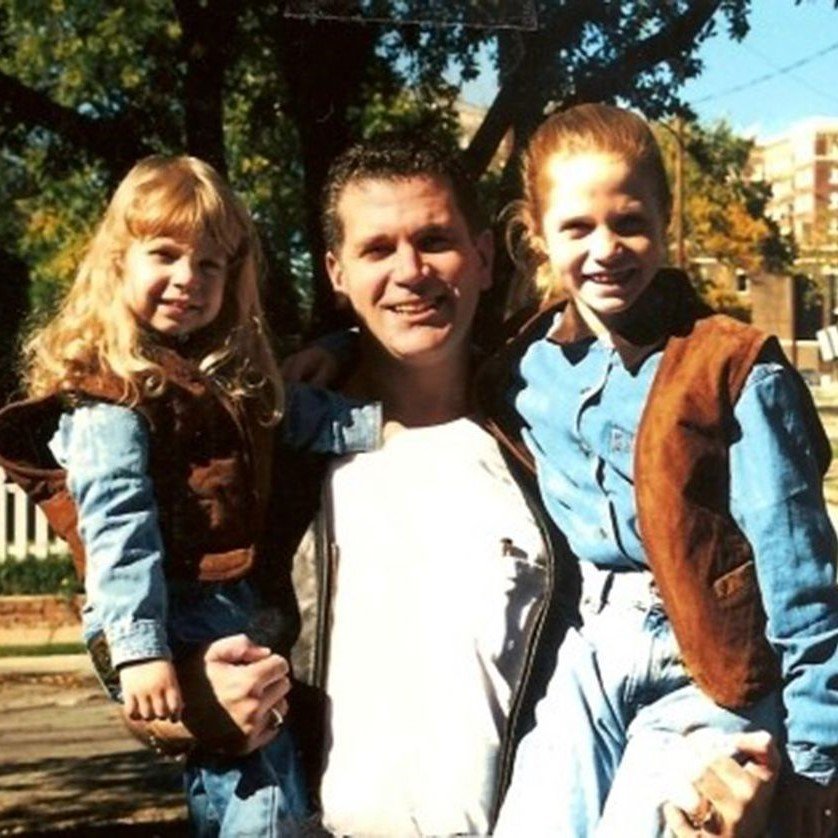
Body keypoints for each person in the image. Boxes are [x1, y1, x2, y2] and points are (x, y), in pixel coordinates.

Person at [167, 135, 782, 837]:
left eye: (435, 240)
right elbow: (147, 610)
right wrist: (188, 703)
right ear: (337, 272)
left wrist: (728, 788)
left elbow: (703, 620)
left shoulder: (554, 449)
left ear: (485, 257)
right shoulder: (277, 455)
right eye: (377, 249)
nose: (410, 272)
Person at [472, 103, 838, 837]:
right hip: (588, 657)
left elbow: (803, 577)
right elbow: (418, 364)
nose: (606, 248)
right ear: (537, 234)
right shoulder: (524, 368)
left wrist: (818, 758)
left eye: (629, 221)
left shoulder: (732, 368)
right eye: (577, 227)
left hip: (709, 669)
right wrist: (338, 349)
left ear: (665, 222)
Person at [0, 155, 380, 836]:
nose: (188, 279)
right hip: (164, 609)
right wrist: (140, 649)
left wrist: (379, 397)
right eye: (165, 255)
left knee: (249, 776)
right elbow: (118, 529)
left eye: (210, 264)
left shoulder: (217, 381)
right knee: (261, 782)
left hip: (219, 603)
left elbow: (305, 418)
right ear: (117, 262)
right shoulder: (114, 398)